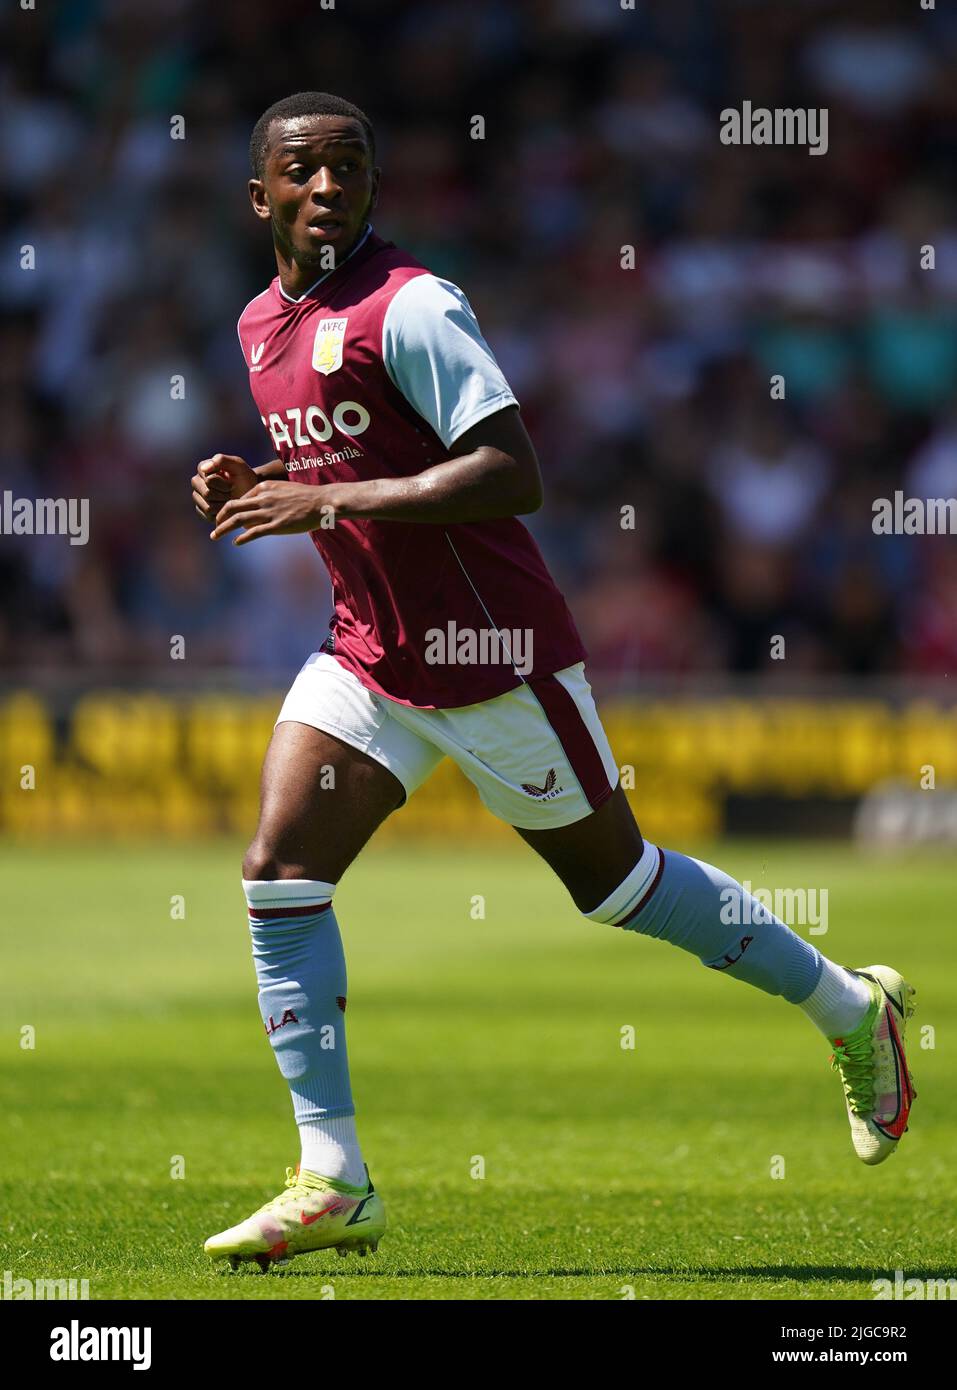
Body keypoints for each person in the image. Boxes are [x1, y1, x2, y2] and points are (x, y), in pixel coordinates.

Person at [191, 92, 916, 1271]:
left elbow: (507, 470)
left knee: (619, 885)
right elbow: (365, 445)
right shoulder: (259, 325)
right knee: (279, 869)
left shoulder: (412, 302)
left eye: (350, 165)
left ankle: (848, 1007)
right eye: (303, 170)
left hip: (490, 657)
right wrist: (264, 476)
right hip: (369, 651)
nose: (329, 187)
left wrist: (320, 498)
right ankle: (334, 1178)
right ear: (259, 195)